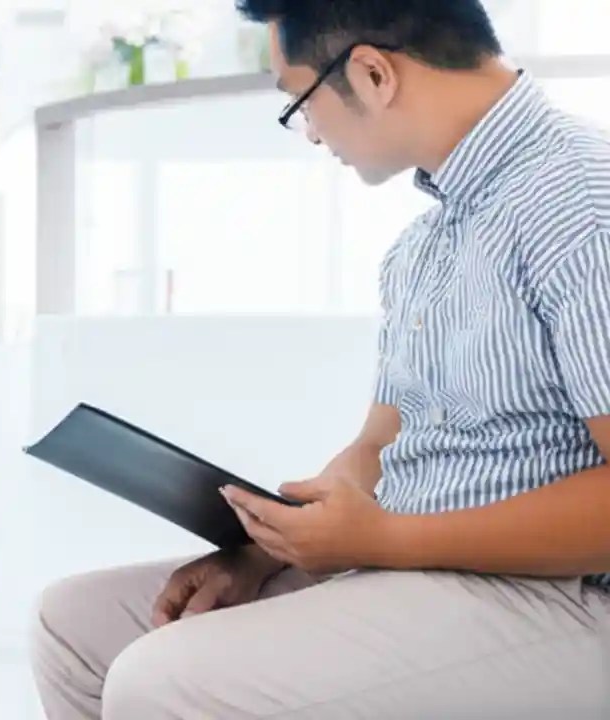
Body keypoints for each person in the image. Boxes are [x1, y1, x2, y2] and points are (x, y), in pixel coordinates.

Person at [32, 1, 610, 717]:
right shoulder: (423, 247)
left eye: (299, 101)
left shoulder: (583, 201)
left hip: (564, 601)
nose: (309, 131)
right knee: (76, 628)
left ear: (371, 74)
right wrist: (267, 549)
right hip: (420, 568)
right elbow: (379, 445)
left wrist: (391, 540)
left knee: (163, 678)